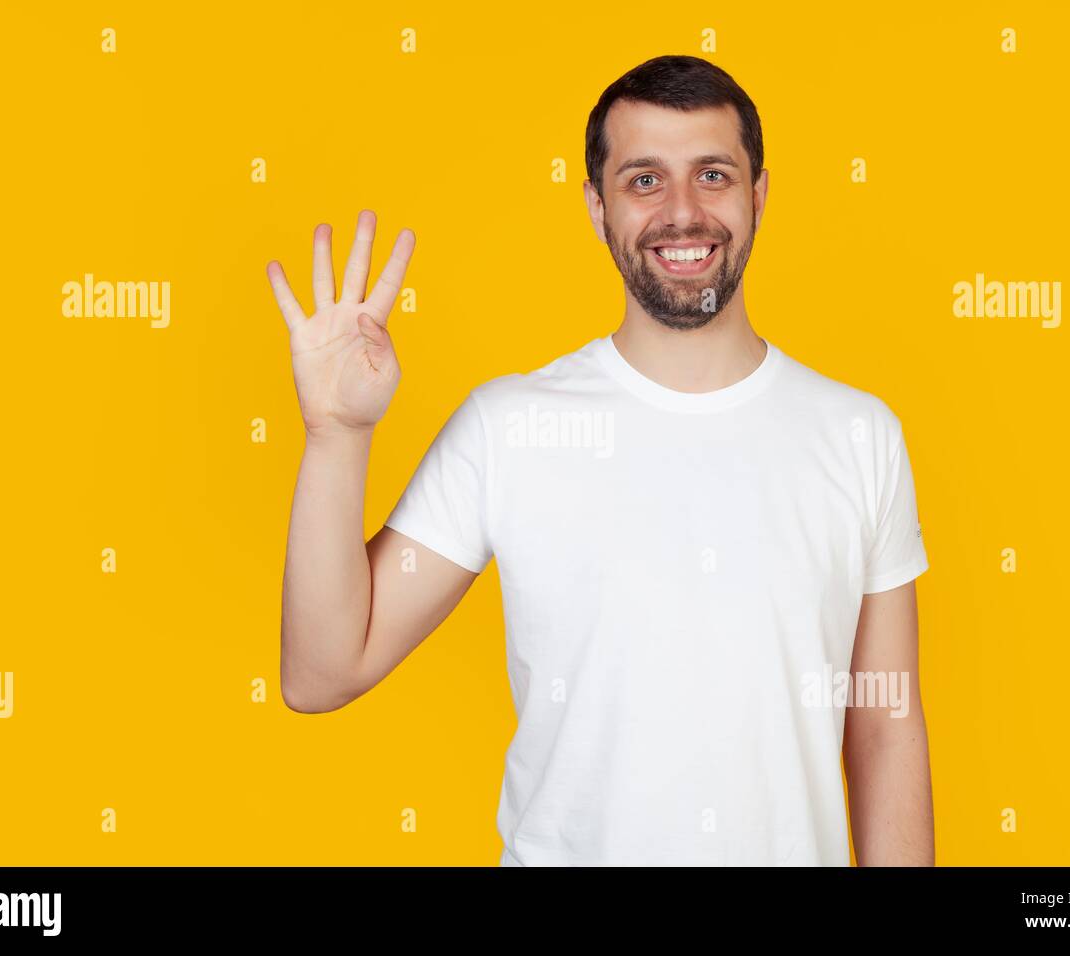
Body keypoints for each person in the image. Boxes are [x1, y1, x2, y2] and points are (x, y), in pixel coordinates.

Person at [266, 54, 934, 866]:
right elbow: (321, 673)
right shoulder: (508, 428)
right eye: (644, 180)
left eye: (713, 174)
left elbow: (885, 726)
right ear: (597, 206)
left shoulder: (860, 435)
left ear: (758, 194)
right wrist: (338, 435)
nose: (683, 213)